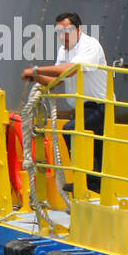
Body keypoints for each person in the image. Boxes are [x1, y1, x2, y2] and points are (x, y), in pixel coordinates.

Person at [22, 12, 107, 191]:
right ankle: (94, 183)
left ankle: (88, 181)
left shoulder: (90, 45)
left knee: (70, 130)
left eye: (67, 31)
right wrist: (37, 79)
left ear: (79, 30)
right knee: (98, 150)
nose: (62, 36)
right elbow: (58, 81)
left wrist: (36, 70)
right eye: (59, 32)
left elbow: (70, 70)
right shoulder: (64, 50)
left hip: (101, 106)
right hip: (82, 107)